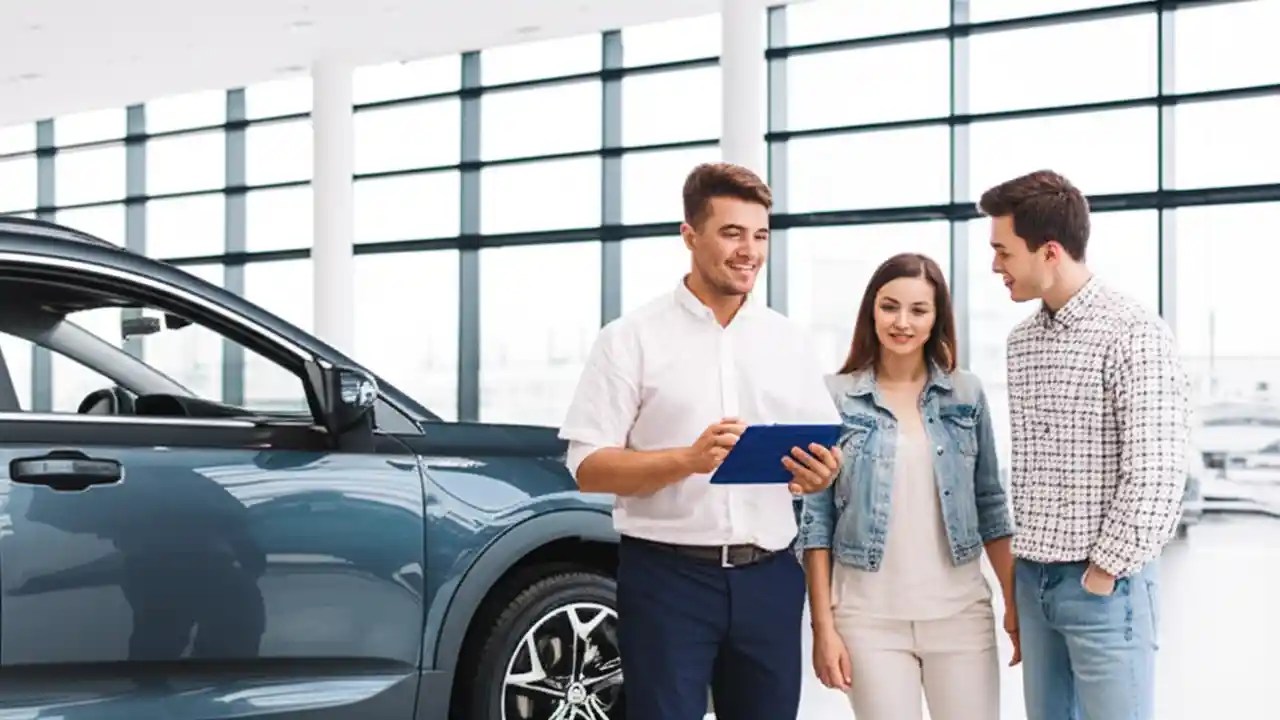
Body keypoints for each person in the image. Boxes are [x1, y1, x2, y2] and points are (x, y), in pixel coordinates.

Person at [558, 161, 842, 720]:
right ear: (689, 236)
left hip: (769, 579)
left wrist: (821, 471)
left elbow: (822, 451)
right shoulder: (629, 339)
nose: (750, 251)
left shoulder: (788, 341)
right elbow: (587, 466)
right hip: (668, 582)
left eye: (760, 235)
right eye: (732, 233)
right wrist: (686, 460)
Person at [979, 169, 1191, 720]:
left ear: (1049, 251)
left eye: (1003, 251)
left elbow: (1155, 473)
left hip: (1105, 588)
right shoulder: (1021, 344)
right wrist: (1027, 582)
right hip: (1035, 578)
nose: (995, 266)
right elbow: (1027, 469)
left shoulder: (1134, 332)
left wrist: (1103, 572)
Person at [797, 252, 1017, 720]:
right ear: (871, 311)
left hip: (960, 617)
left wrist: (1015, 603)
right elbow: (816, 522)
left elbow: (991, 505)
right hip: (867, 619)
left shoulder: (966, 394)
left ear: (937, 318)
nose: (902, 322)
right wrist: (823, 627)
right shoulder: (834, 397)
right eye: (889, 306)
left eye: (919, 310)